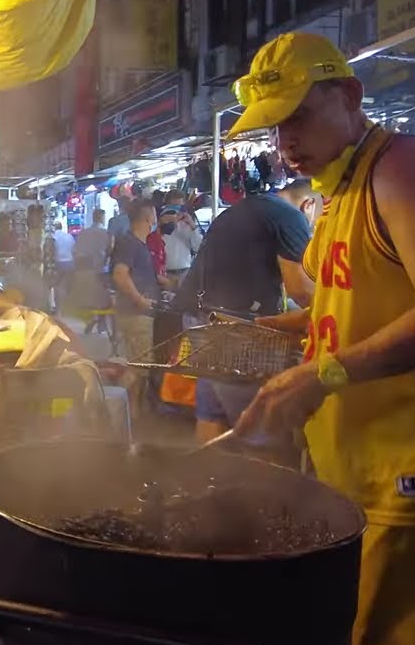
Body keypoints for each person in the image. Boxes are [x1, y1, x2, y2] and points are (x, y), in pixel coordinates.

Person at [229, 32, 415, 645]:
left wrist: (320, 377)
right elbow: (343, 313)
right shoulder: (335, 196)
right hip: (361, 473)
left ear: (350, 95)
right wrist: (255, 336)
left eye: (297, 115)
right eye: (275, 126)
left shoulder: (400, 166)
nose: (285, 141)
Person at [173, 178, 318, 453]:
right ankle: (260, 492)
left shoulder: (244, 208)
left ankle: (207, 483)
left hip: (201, 321)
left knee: (211, 412)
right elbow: (302, 291)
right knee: (260, 427)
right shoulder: (291, 217)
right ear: (309, 204)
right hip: (235, 330)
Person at [111, 198, 161, 363]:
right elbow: (120, 275)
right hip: (136, 315)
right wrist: (139, 300)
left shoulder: (139, 243)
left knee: (138, 366)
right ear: (148, 218)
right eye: (155, 215)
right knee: (141, 369)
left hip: (138, 314)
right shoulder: (130, 243)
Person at [158, 204, 202, 282]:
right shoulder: (160, 226)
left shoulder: (186, 225)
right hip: (165, 274)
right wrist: (160, 224)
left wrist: (193, 226)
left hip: (185, 272)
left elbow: (199, 248)